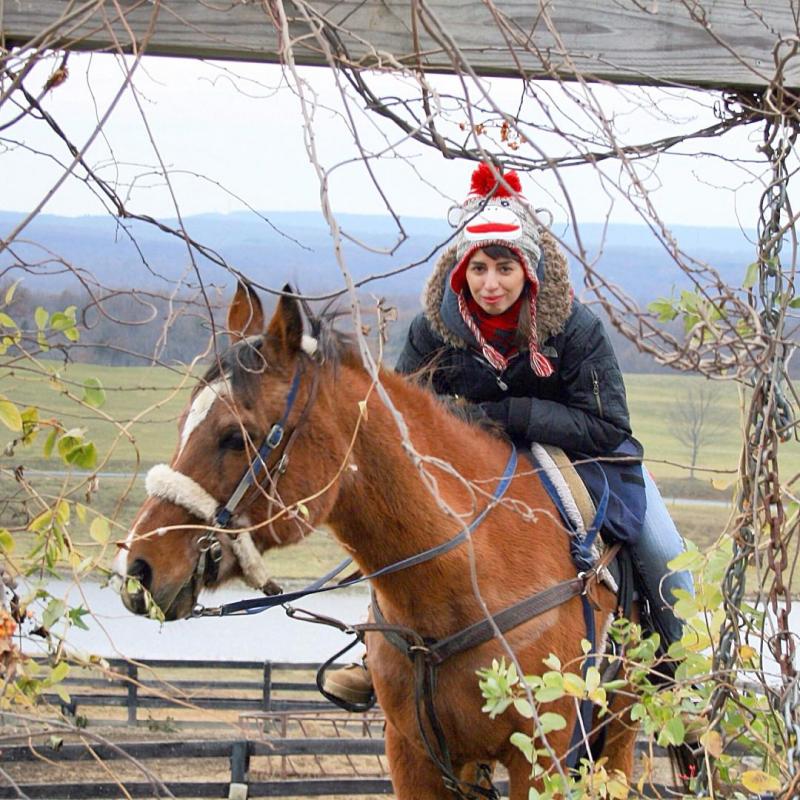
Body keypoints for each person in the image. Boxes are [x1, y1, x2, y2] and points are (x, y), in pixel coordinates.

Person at [322, 163, 694, 707]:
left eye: (504, 268)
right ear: (461, 271)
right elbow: (403, 418)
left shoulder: (576, 328)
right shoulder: (434, 329)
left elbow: (608, 425)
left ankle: (685, 674)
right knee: (403, 531)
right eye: (478, 269)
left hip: (582, 454)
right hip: (469, 460)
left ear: (529, 271)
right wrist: (469, 427)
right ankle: (375, 649)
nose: (490, 284)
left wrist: (512, 414)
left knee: (663, 550)